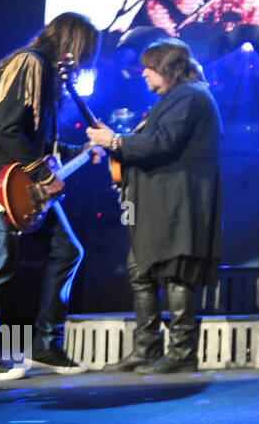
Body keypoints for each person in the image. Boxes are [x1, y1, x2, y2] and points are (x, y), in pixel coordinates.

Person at [0, 12, 101, 380]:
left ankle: (45, 347)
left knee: (68, 250)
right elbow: (3, 130)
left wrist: (81, 150)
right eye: (85, 50)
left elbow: (37, 142)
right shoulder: (29, 63)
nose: (85, 60)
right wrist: (43, 175)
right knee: (2, 259)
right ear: (74, 43)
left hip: (25, 185)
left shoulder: (48, 74)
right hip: (3, 182)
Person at [87, 39, 222, 374]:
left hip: (177, 200)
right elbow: (152, 142)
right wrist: (115, 141)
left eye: (149, 66)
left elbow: (162, 144)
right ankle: (147, 349)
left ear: (168, 68)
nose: (143, 73)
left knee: (175, 271)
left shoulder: (189, 95)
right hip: (160, 200)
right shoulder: (176, 99)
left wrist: (114, 141)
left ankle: (181, 353)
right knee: (141, 269)